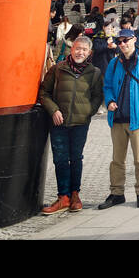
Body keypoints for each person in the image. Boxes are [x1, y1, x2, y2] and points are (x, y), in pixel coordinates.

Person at [38, 35, 104, 215]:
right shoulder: (58, 69)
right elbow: (44, 92)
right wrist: (53, 110)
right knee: (60, 159)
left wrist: (88, 111)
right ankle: (63, 197)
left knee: (76, 158)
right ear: (71, 49)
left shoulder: (95, 73)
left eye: (84, 49)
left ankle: (75, 195)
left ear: (89, 53)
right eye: (77, 48)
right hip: (58, 122)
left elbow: (98, 96)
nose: (80, 52)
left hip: (80, 123)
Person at [100, 29, 139, 209]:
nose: (122, 44)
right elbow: (107, 86)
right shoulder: (114, 63)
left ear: (134, 40)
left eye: (126, 40)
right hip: (118, 119)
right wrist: (110, 100)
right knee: (117, 160)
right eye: (119, 42)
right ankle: (116, 193)